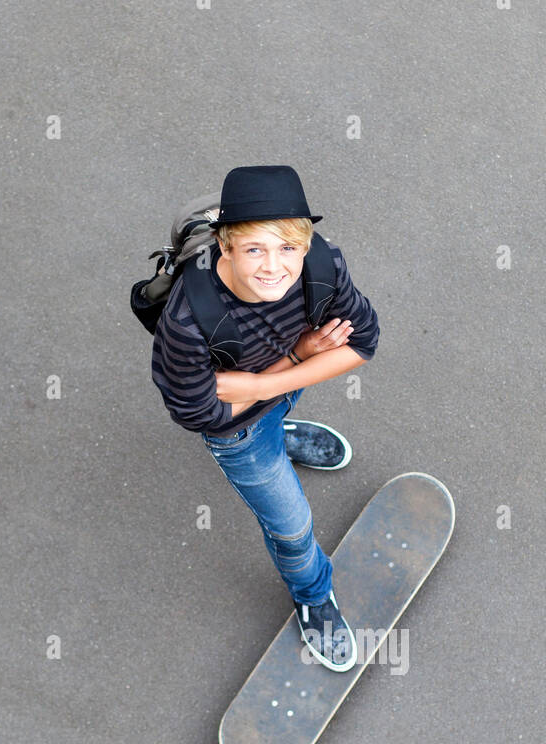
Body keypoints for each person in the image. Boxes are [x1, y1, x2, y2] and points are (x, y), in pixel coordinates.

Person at [151, 165, 380, 671]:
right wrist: (301, 363)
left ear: (304, 245)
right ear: (225, 247)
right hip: (239, 433)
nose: (274, 267)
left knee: (275, 412)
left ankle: (282, 432)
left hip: (278, 387)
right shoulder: (188, 322)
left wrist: (271, 378)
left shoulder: (321, 265)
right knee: (293, 528)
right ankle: (314, 595)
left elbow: (363, 341)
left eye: (287, 249)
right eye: (255, 249)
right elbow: (201, 413)